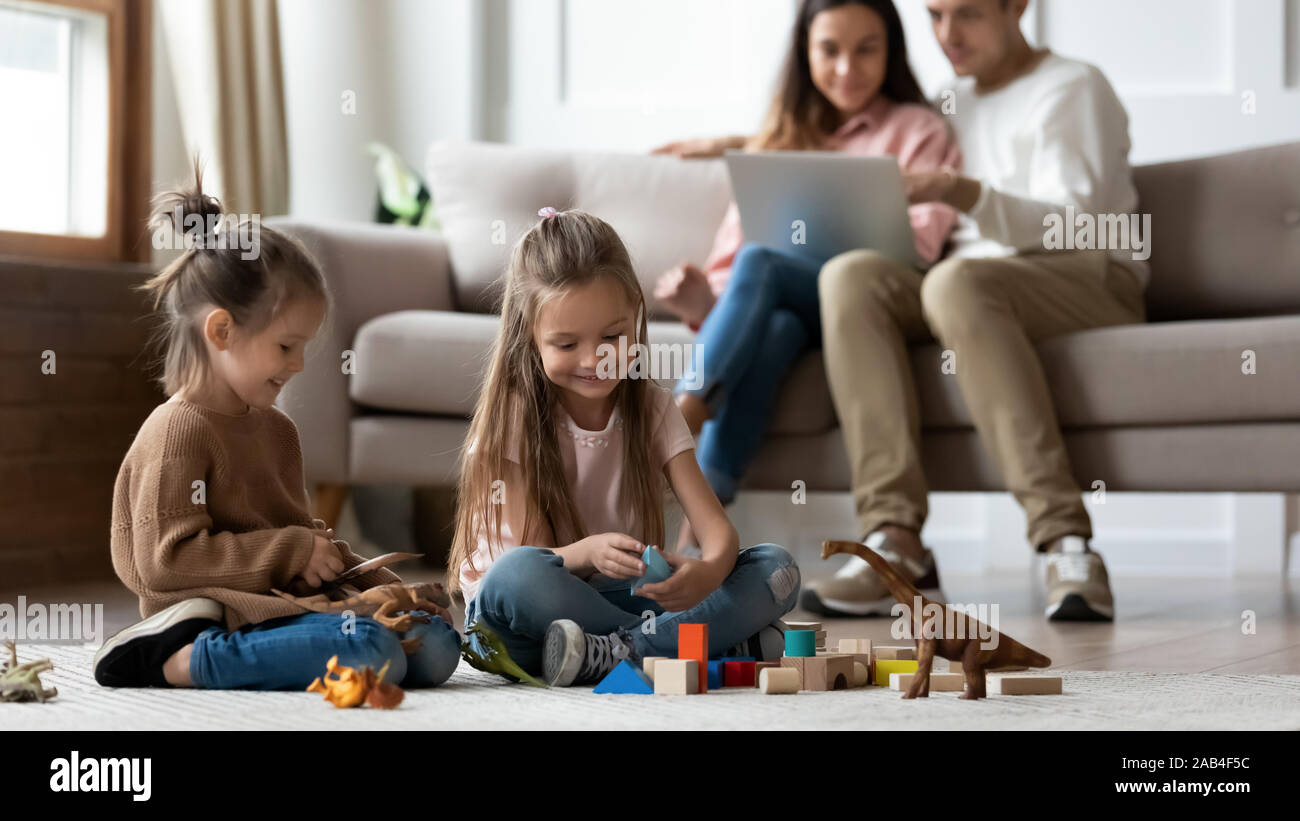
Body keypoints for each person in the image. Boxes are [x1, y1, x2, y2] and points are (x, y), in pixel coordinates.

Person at [801, 0, 1147, 620]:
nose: (946, 35)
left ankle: (1066, 541)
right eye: (934, 15)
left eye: (968, 15)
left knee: (956, 284)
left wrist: (962, 192)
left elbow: (1082, 229)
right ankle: (894, 540)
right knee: (850, 276)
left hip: (1089, 275)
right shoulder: (949, 100)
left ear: (1019, 7)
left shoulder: (1072, 85)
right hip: (965, 283)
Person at [94, 164, 462, 689]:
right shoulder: (177, 433)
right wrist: (292, 551)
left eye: (305, 347)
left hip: (278, 604)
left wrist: (388, 588)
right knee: (371, 647)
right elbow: (164, 562)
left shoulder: (277, 431)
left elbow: (308, 544)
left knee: (434, 646)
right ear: (222, 330)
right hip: (211, 617)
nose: (299, 364)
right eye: (286, 346)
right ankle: (170, 660)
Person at [651, 0, 962, 553]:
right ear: (805, 54)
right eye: (830, 50)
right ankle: (695, 545)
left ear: (890, 51)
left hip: (871, 306)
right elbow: (730, 266)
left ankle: (678, 421)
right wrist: (703, 300)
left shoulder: (919, 132)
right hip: (793, 313)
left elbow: (917, 246)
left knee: (762, 260)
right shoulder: (778, 141)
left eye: (866, 49)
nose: (847, 68)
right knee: (775, 331)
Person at [449, 207, 800, 687]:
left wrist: (708, 571)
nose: (595, 360)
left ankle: (620, 652)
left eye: (612, 336)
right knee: (515, 577)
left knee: (776, 569)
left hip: (612, 603)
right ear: (529, 336)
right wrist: (588, 552)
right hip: (521, 620)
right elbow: (525, 561)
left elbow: (717, 532)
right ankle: (693, 643)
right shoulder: (513, 418)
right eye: (567, 344)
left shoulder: (654, 409)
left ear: (636, 312)